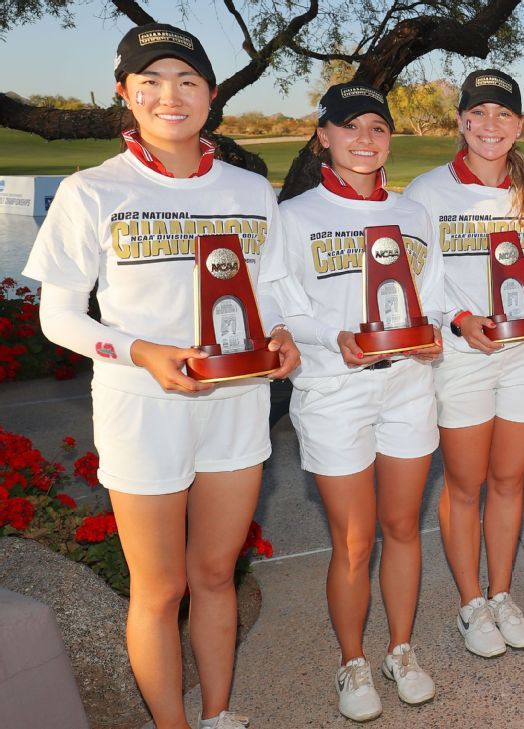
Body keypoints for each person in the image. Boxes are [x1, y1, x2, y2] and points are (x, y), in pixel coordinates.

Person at [23, 24, 299, 729]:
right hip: (142, 407)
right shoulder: (92, 191)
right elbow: (58, 317)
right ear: (125, 94)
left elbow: (274, 290)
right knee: (160, 586)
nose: (169, 95)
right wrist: (140, 351)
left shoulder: (248, 188)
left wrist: (283, 335)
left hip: (235, 402)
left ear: (211, 95)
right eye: (150, 81)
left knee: (214, 574)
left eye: (186, 80)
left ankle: (219, 714)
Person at [272, 82, 443, 722]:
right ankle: (352, 660)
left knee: (403, 528)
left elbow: (433, 294)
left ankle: (401, 648)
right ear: (324, 136)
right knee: (354, 540)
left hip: (406, 388)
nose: (364, 139)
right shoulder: (295, 216)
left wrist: (435, 334)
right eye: (350, 127)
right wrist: (332, 337)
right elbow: (283, 307)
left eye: (377, 127)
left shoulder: (414, 215)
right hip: (334, 391)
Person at [404, 69, 524, 658]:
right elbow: (421, 280)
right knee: (466, 483)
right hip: (464, 356)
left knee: (508, 479)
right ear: (462, 122)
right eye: (479, 114)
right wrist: (458, 319)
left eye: (504, 115)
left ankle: (501, 594)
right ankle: (471, 602)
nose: (491, 126)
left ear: (519, 126)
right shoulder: (426, 192)